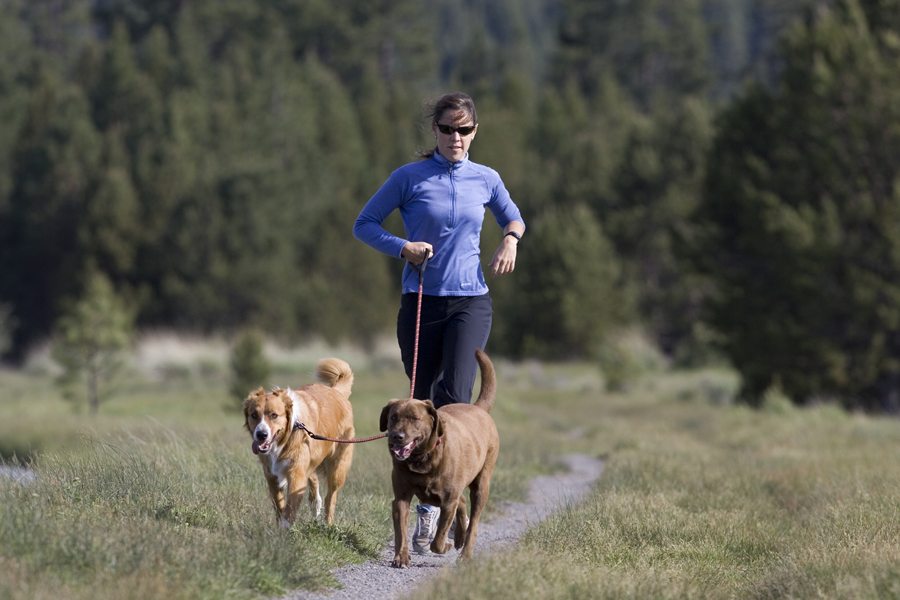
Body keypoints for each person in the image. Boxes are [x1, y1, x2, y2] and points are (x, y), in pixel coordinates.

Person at [353, 91, 525, 554]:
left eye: (464, 130)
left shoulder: (486, 178)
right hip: (422, 298)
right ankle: (430, 495)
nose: (456, 138)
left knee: (453, 395)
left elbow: (515, 218)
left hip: (471, 301)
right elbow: (364, 224)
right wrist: (403, 248)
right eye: (447, 129)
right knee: (419, 394)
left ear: (474, 132)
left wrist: (509, 241)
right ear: (435, 131)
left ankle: (433, 509)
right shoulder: (408, 178)